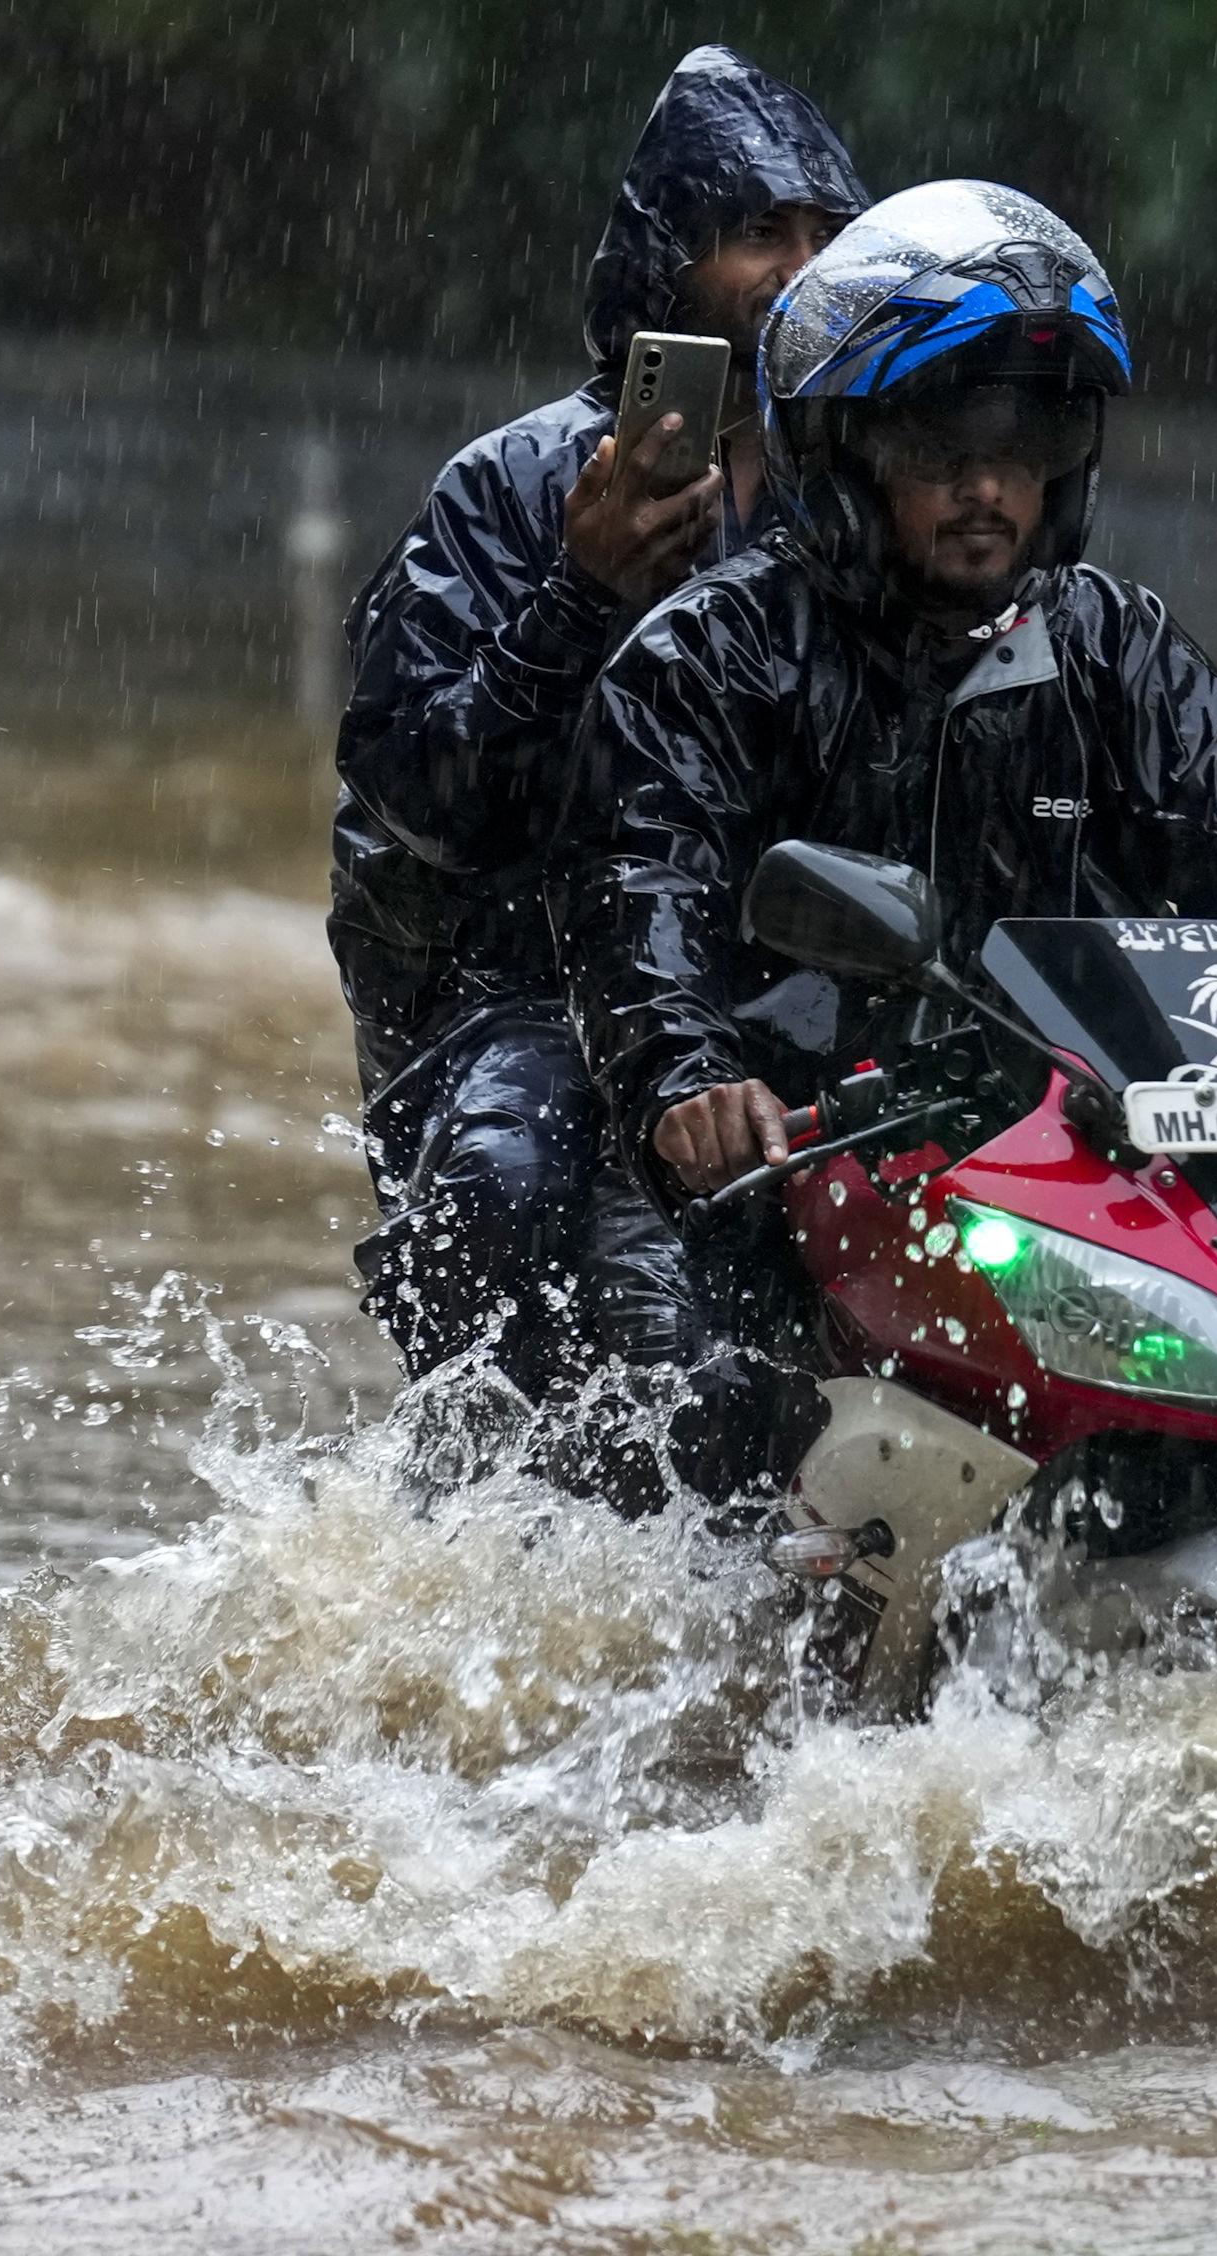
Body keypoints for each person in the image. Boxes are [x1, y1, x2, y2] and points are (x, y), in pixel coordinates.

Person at [564, 182, 1217, 1481]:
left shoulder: (1112, 645)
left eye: (1029, 440)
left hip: (1062, 1154)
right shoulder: (703, 658)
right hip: (782, 1173)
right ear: (841, 450)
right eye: (939, 440)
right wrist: (686, 1083)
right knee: (682, 1452)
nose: (986, 484)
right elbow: (638, 894)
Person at [329, 47, 865, 1402]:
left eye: (828, 237)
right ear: (668, 261)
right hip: (526, 989)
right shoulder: (510, 490)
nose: (800, 267)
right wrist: (580, 594)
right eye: (758, 234)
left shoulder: (877, 490)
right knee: (508, 1180)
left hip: (788, 970)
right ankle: (484, 1497)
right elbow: (425, 803)